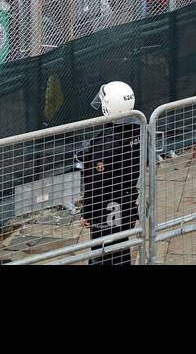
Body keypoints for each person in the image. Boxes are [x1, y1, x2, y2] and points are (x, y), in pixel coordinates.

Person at [78, 80, 142, 265]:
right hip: (127, 203)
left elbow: (95, 184)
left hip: (105, 211)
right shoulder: (139, 128)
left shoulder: (105, 143)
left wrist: (87, 212)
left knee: (101, 254)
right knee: (121, 252)